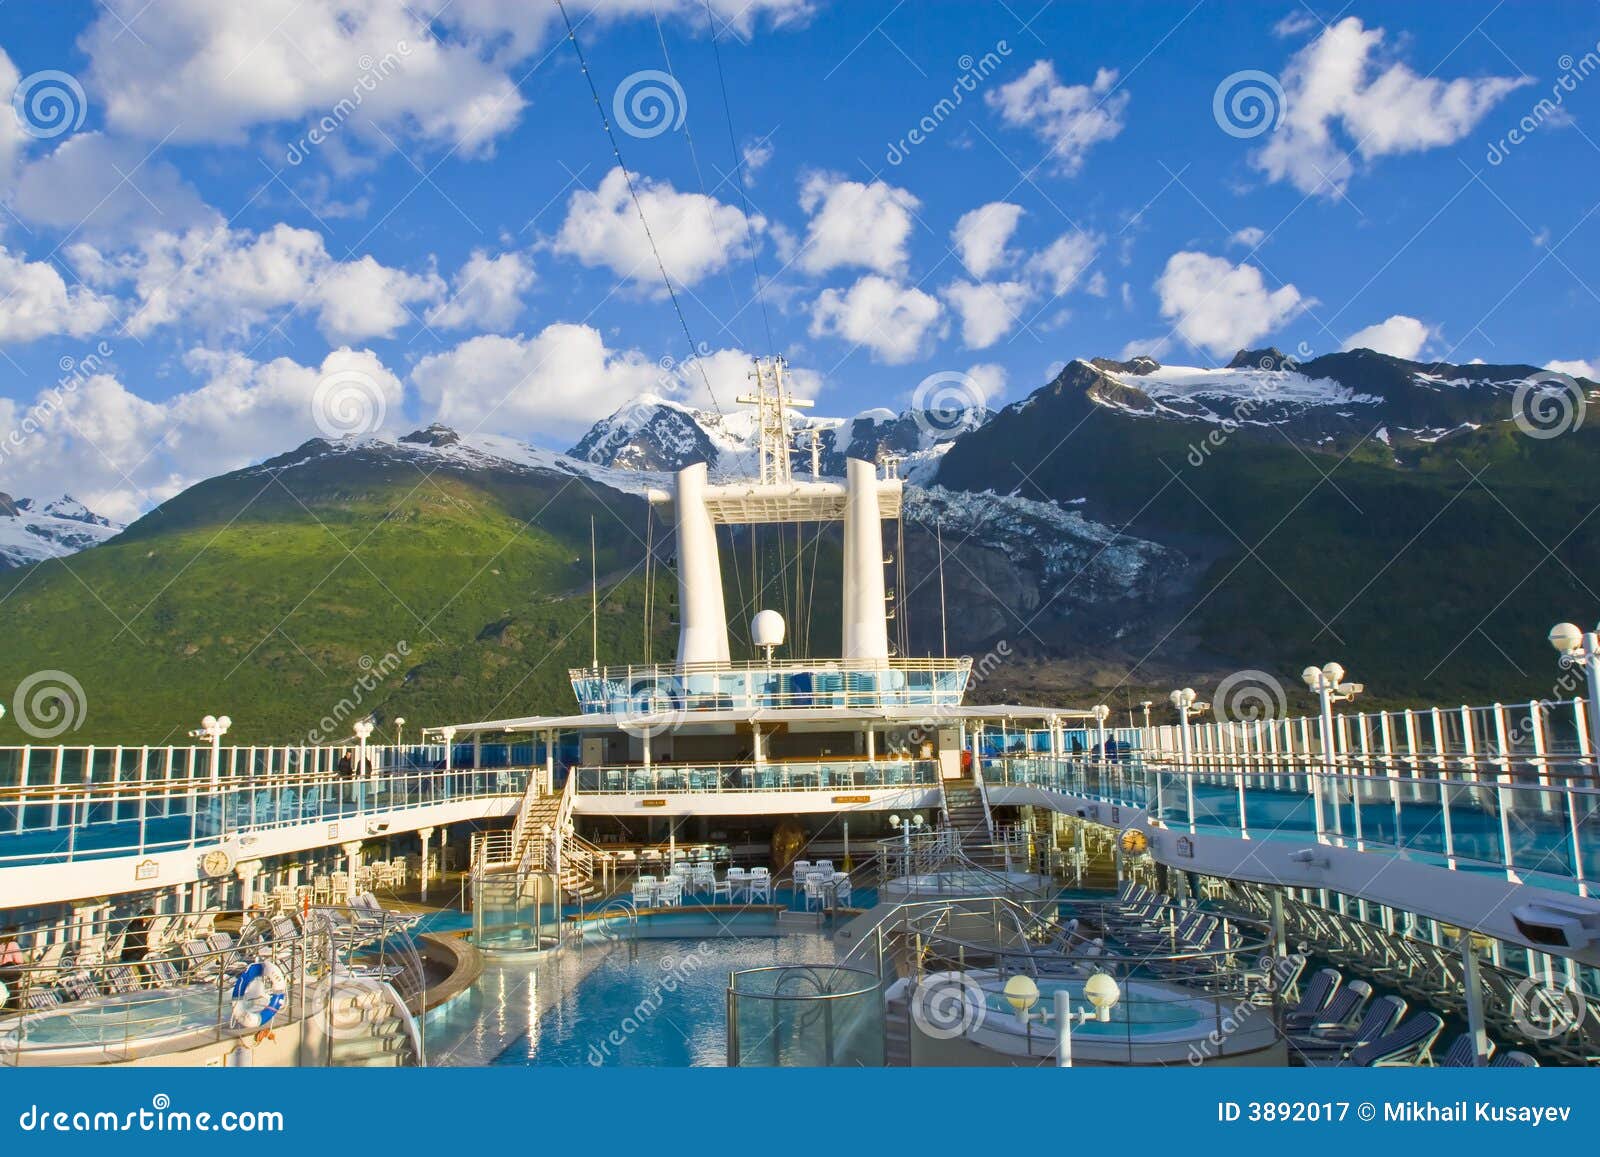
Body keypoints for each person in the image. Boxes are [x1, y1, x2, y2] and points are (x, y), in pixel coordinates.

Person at [0, 928, 25, 1010]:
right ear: (13, 936)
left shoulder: (1, 944)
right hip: (9, 973)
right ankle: (14, 1008)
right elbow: (19, 961)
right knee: (13, 991)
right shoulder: (13, 944)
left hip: (1, 973)